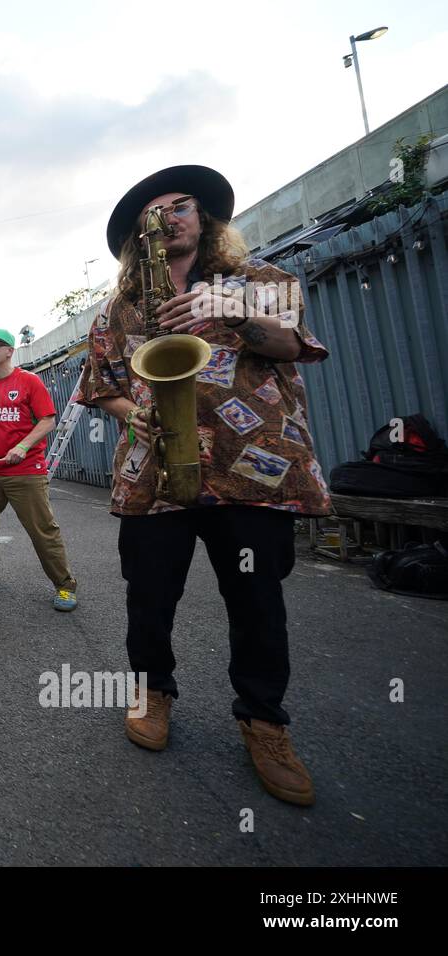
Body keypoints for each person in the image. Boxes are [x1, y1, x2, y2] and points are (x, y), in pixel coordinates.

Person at [76, 164, 333, 807]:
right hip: (156, 470)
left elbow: (296, 345)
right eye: (154, 213)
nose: (170, 215)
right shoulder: (119, 307)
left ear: (204, 216)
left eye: (181, 204)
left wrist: (236, 311)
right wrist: (127, 412)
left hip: (253, 467)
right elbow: (100, 385)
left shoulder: (261, 281)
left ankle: (265, 722)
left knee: (257, 603)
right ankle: (152, 691)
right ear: (144, 237)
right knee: (149, 596)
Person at [0, 328, 79, 611]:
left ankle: (65, 586)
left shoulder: (29, 382)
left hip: (26, 471)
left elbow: (48, 421)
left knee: (42, 530)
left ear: (9, 351)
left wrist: (23, 447)